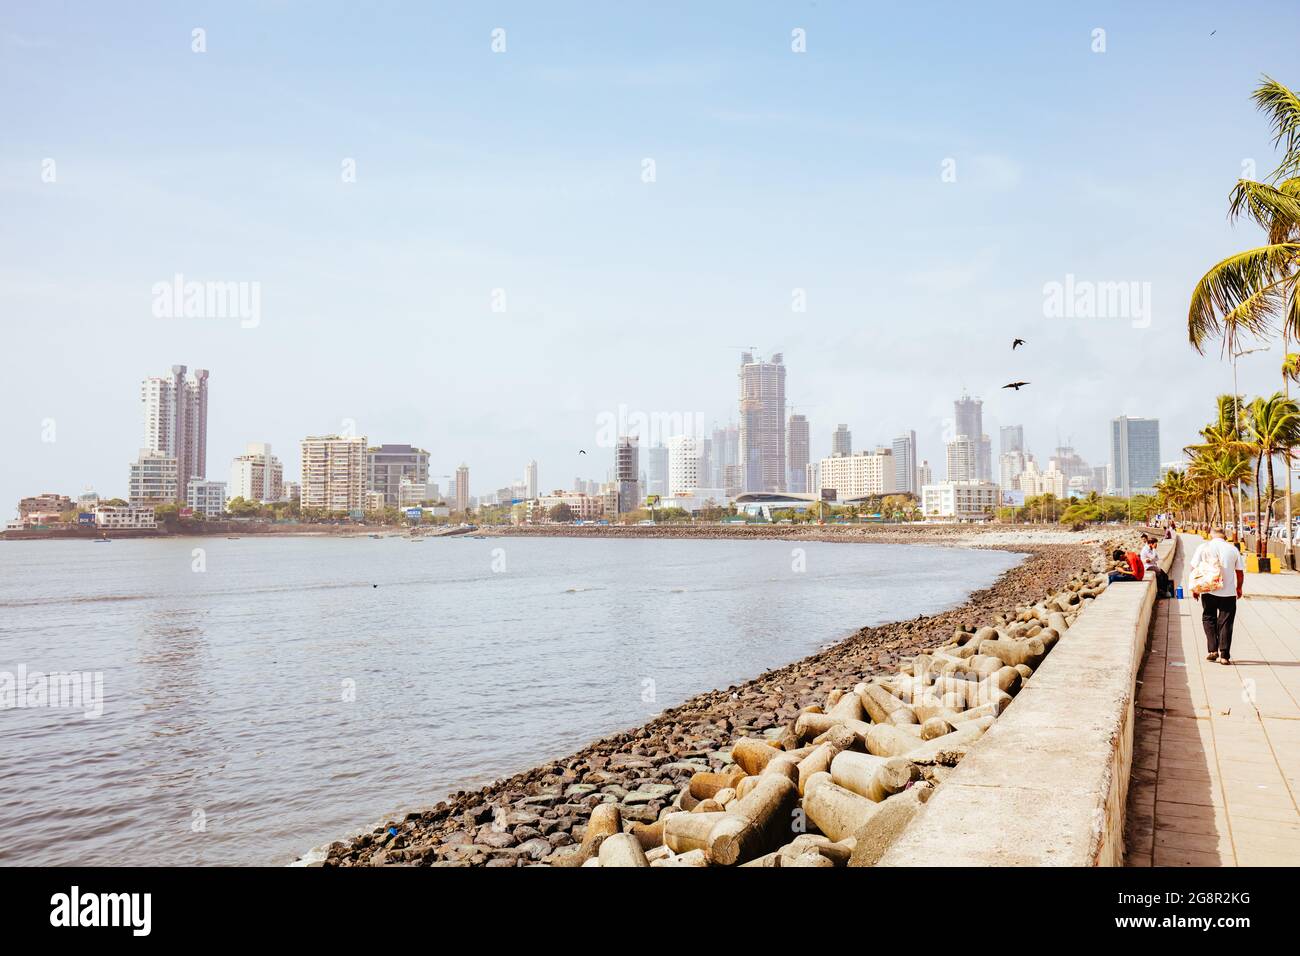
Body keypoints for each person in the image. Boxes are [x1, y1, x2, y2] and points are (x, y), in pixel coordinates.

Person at [1189, 528, 1244, 665]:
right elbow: (1240, 573)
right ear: (1225, 536)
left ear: (1211, 535)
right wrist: (1239, 588)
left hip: (1209, 589)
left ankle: (1213, 650)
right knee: (1226, 622)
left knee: (1209, 618)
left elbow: (1193, 569)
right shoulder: (1232, 549)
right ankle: (1224, 656)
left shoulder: (1203, 547)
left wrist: (1196, 588)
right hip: (1228, 593)